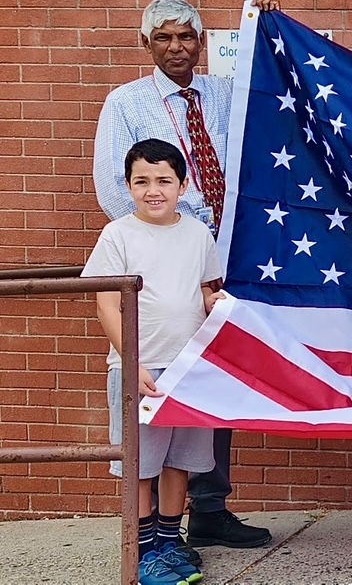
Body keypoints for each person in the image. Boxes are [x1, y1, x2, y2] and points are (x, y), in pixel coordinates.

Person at [92, 0, 279, 553]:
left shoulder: (222, 93)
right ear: (145, 43)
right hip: (169, 262)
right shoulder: (125, 103)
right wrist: (188, 223)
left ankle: (211, 509)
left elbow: (268, 93)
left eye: (187, 37)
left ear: (201, 42)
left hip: (230, 259)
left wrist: (265, 23)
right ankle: (155, 538)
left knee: (211, 381)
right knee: (162, 399)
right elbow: (111, 191)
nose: (177, 47)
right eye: (165, 37)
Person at [83, 139, 228, 585]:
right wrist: (133, 361)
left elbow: (205, 290)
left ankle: (170, 542)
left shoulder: (198, 234)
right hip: (142, 371)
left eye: (164, 180)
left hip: (189, 370)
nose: (153, 190)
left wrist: (215, 303)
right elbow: (107, 302)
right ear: (128, 186)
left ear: (183, 185)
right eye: (141, 181)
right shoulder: (118, 235)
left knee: (178, 462)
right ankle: (143, 551)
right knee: (141, 466)